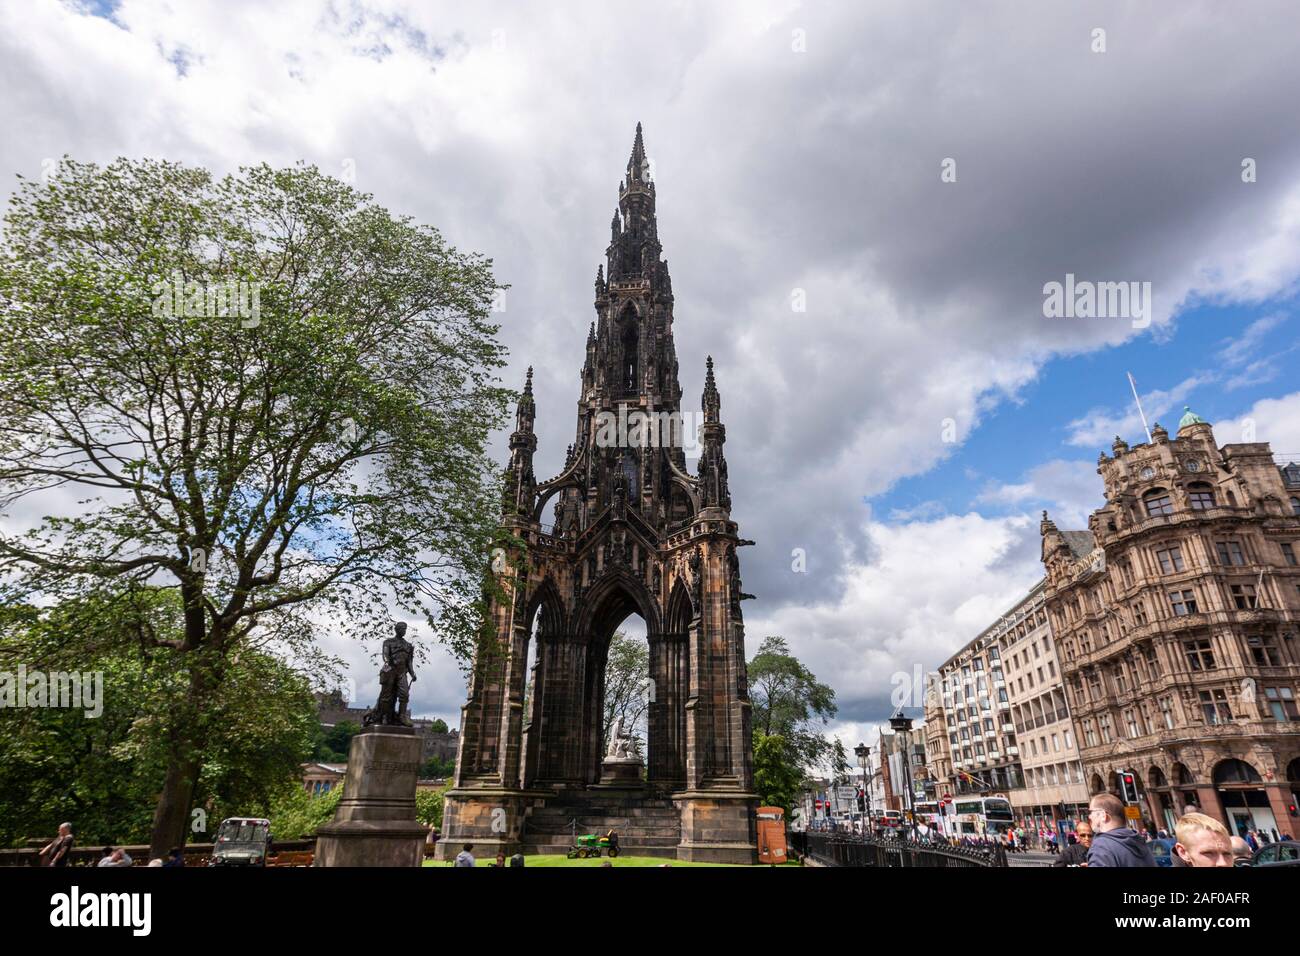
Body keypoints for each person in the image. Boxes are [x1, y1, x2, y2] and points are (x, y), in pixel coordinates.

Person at [1085, 794, 1155, 867]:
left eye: (1091, 812)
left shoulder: (1102, 846)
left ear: (1103, 815)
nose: (1089, 816)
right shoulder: (1139, 841)